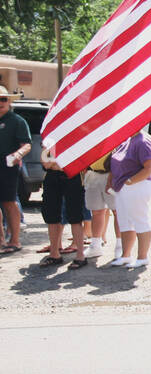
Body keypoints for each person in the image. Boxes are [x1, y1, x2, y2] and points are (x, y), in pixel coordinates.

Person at [109, 129, 151, 269]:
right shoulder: (127, 139)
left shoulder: (142, 141)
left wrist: (131, 180)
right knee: (124, 221)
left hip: (136, 185)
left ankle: (142, 257)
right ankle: (125, 255)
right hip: (123, 187)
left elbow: (150, 166)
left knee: (139, 220)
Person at [38, 145, 88, 268]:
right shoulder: (50, 140)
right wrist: (56, 159)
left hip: (72, 176)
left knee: (75, 216)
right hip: (53, 177)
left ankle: (80, 256)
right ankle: (54, 254)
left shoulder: (76, 137)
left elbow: (81, 162)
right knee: (52, 216)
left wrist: (56, 161)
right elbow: (46, 163)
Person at [0, 85, 32, 254]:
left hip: (8, 166)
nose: (1, 103)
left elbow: (27, 144)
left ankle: (15, 240)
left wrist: (17, 154)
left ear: (9, 102)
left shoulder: (16, 121)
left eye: (3, 99)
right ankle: (1, 241)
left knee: (9, 202)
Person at [82, 150, 115, 258]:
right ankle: (95, 245)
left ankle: (121, 247)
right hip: (92, 173)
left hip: (112, 173)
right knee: (96, 212)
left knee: (118, 211)